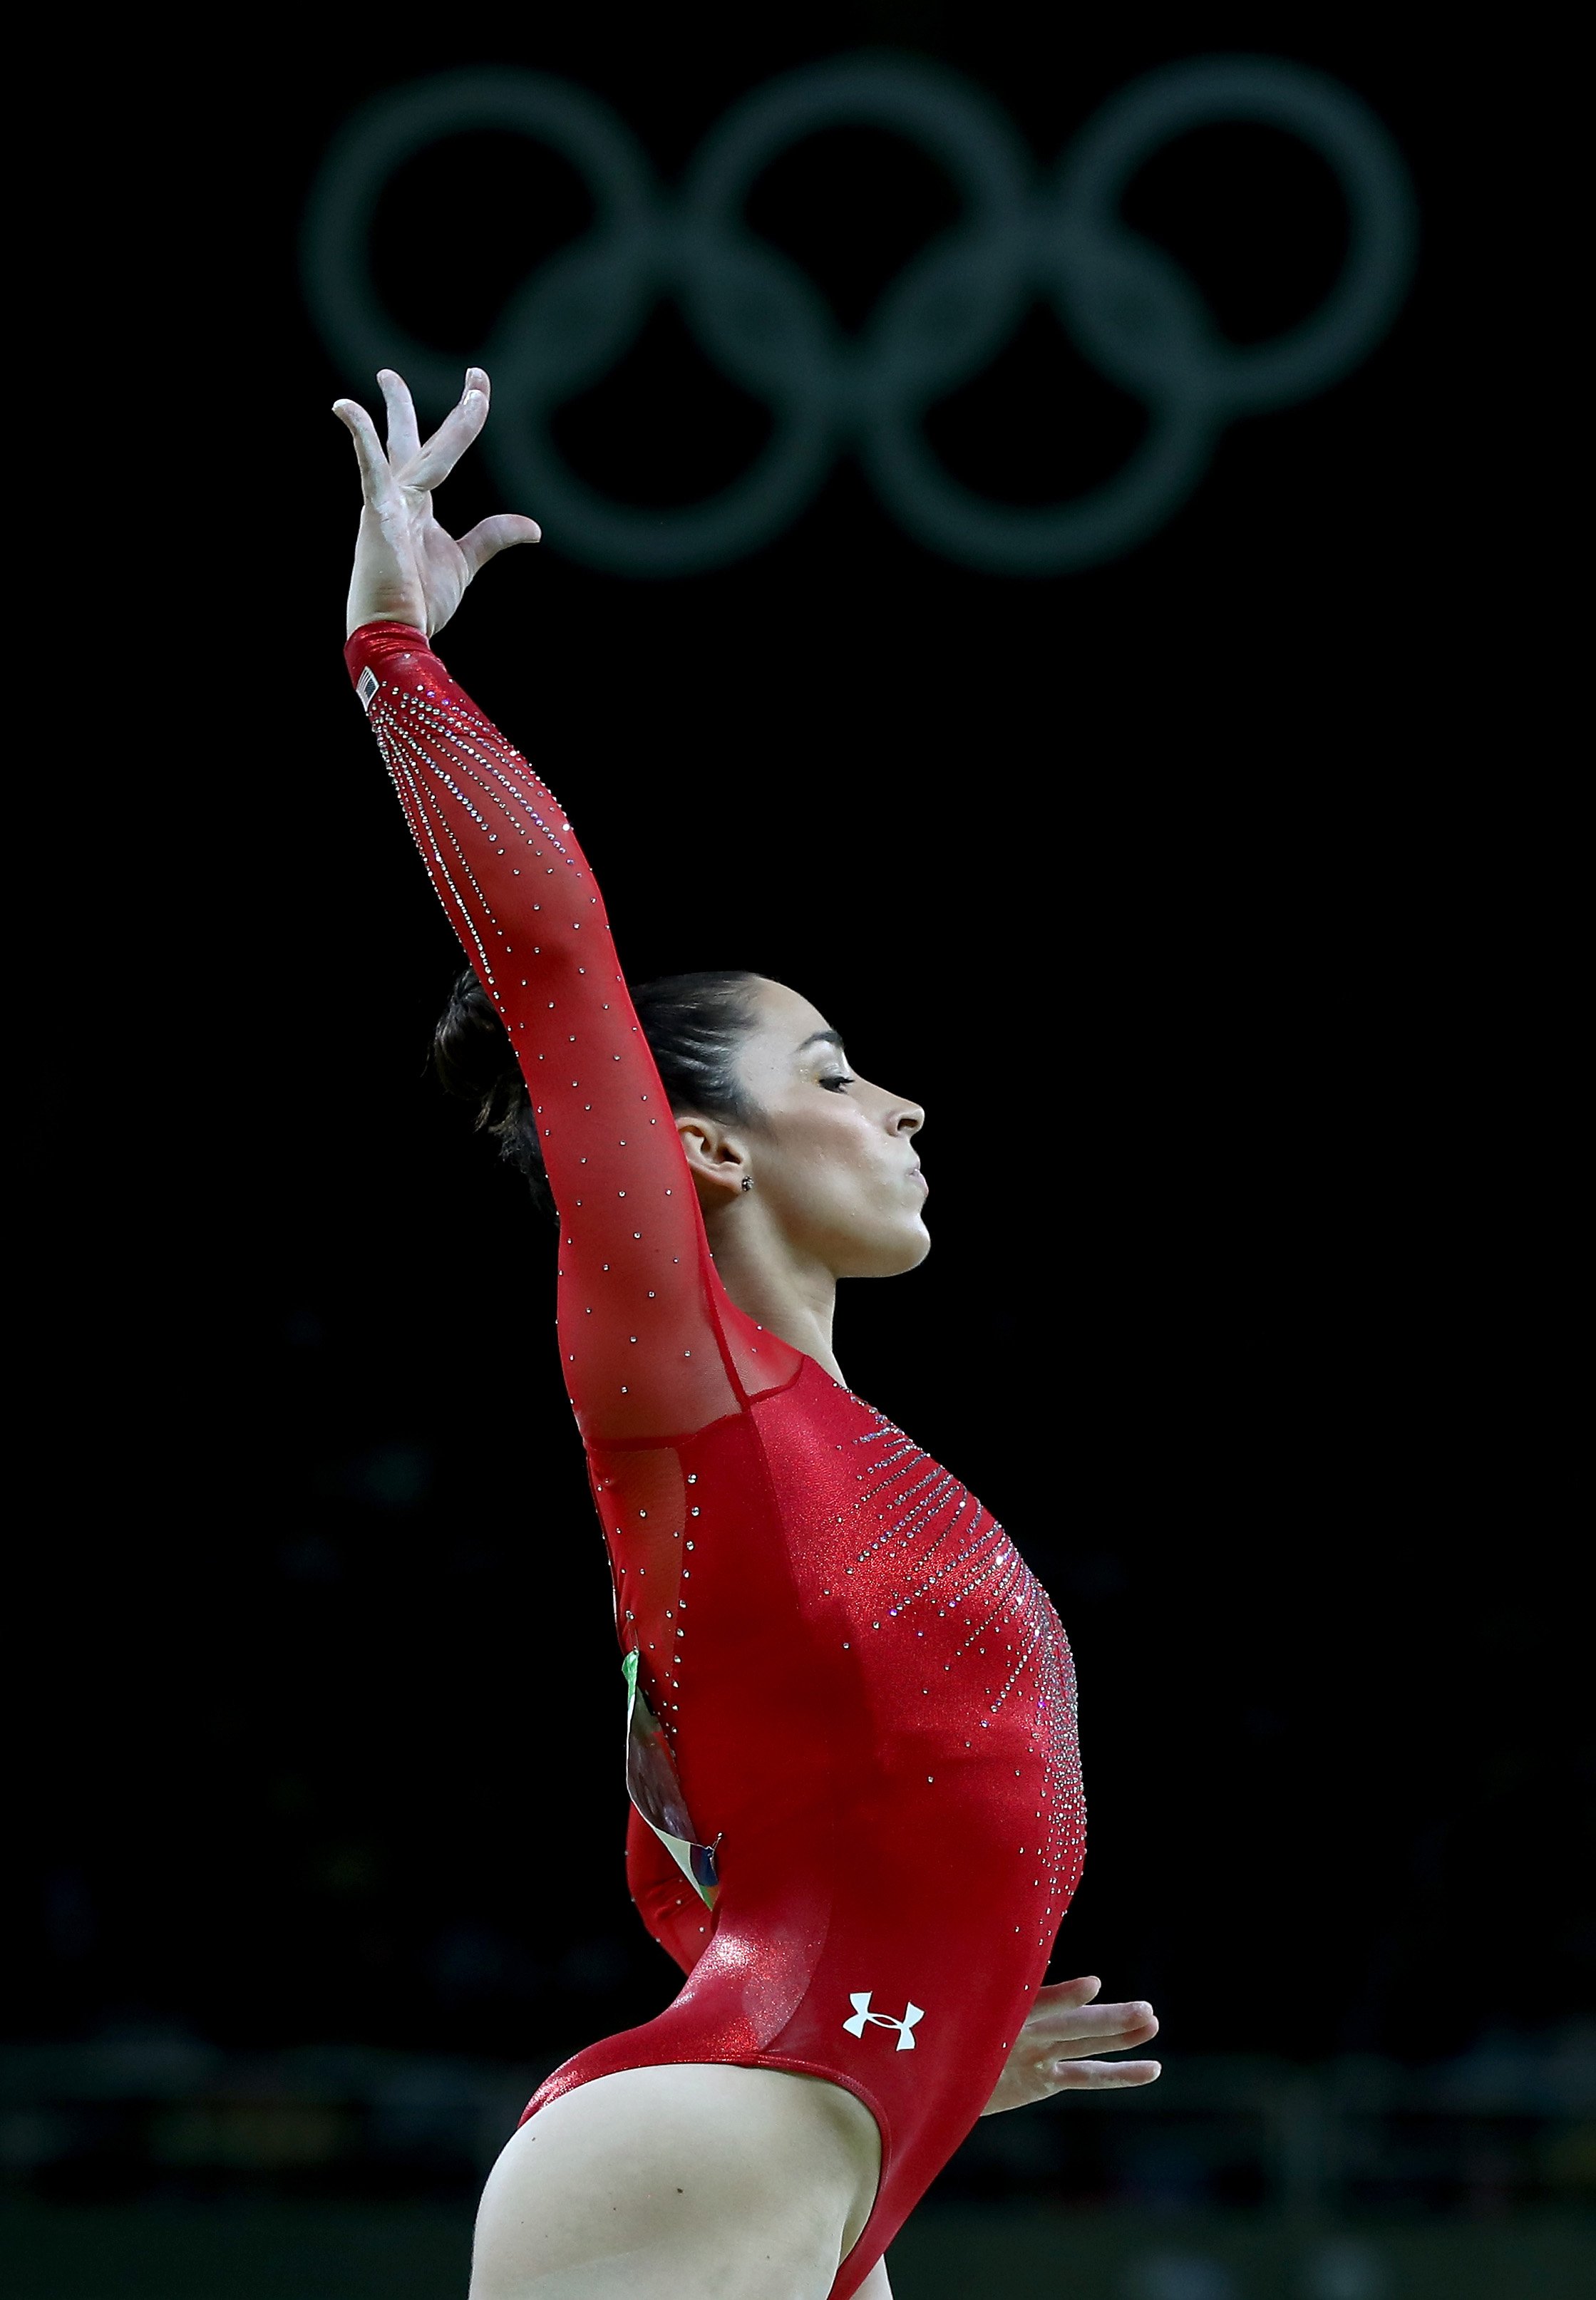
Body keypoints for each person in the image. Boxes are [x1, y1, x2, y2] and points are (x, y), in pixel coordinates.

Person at [333, 367, 1161, 2300]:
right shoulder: (681, 1379)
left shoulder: (807, 1467)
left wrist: (923, 2038)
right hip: (721, 2131)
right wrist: (395, 654)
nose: (905, 1107)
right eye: (837, 1068)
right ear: (697, 1142)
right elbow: (555, 973)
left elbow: (693, 1845)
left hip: (825, 2134)